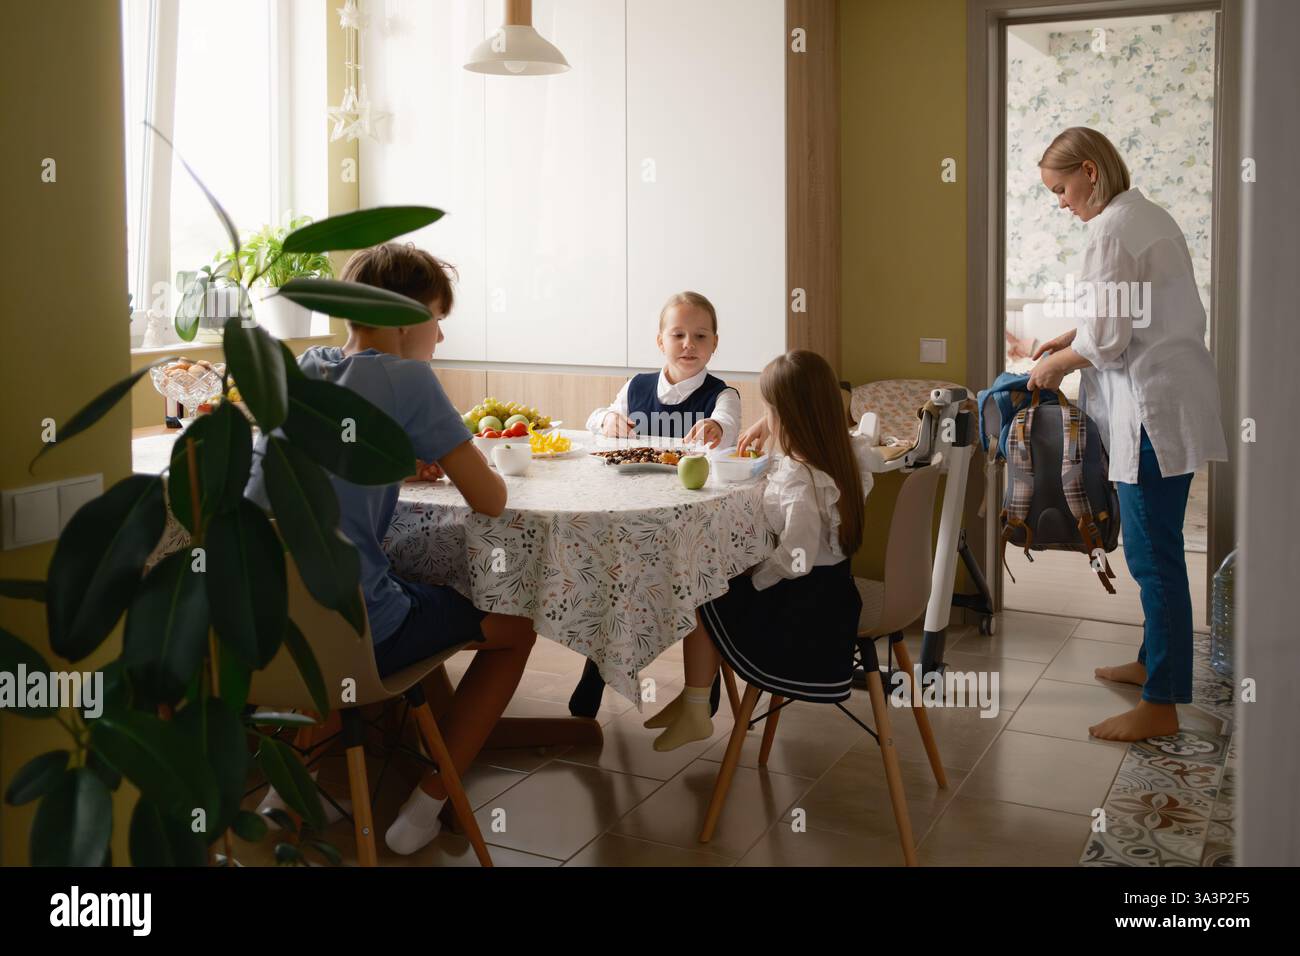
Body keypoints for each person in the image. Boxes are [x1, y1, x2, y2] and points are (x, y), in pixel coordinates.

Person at [246, 242, 537, 854]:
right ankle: (428, 803)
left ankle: (290, 788)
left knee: (332, 595)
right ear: (409, 319)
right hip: (359, 630)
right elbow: (490, 499)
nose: (438, 335)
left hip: (264, 622)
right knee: (516, 628)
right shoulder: (409, 379)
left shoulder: (303, 369)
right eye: (438, 318)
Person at [1027, 127, 1228, 742]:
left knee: (1152, 558)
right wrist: (1070, 338)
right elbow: (1121, 318)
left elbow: (1110, 339)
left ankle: (1161, 703)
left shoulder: (1110, 229)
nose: (1061, 203)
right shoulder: (1144, 216)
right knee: (1158, 549)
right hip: (1169, 398)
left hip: (1153, 412)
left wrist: (1053, 366)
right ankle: (1150, 663)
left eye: (1061, 188)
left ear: (1090, 171)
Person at [646, 350, 866, 751]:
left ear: (790, 414)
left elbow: (795, 559)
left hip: (804, 613)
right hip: (834, 594)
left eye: (771, 409)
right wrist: (773, 418)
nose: (767, 418)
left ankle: (697, 706)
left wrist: (756, 574)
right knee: (715, 580)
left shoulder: (800, 479)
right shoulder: (843, 456)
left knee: (703, 588)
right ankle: (692, 701)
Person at [569, 291, 742, 717]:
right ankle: (598, 666)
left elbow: (729, 427)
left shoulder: (723, 396)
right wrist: (606, 419)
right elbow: (600, 418)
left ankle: (704, 677)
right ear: (660, 341)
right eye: (678, 334)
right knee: (613, 577)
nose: (689, 344)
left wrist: (717, 429)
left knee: (698, 580)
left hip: (690, 521)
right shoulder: (636, 386)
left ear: (714, 344)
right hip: (633, 512)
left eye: (700, 335)